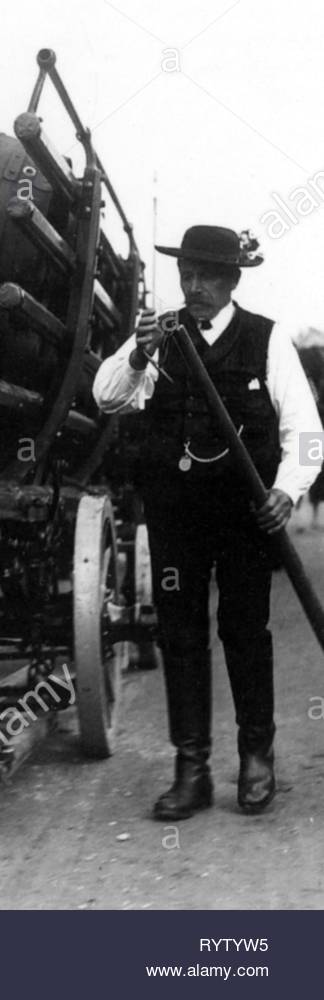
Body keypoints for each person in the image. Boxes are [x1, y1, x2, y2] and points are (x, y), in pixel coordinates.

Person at [93, 225, 323, 819]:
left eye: (207, 277)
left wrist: (286, 492)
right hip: (175, 515)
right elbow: (106, 396)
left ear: (231, 281)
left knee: (246, 632)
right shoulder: (158, 335)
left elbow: (305, 431)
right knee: (181, 636)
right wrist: (141, 352)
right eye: (187, 275)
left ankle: (255, 758)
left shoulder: (267, 340)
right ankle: (190, 768)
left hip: (245, 518)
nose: (194, 287)